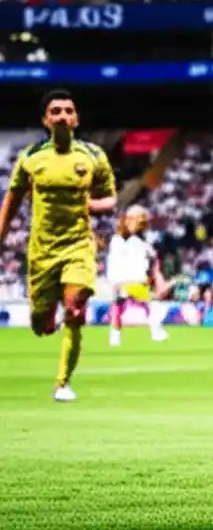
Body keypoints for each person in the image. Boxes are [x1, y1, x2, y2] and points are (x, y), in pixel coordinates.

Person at [0, 89, 117, 401]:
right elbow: (12, 200)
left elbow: (110, 198)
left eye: (68, 110)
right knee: (40, 324)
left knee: (76, 308)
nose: (63, 115)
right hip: (43, 250)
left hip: (79, 245)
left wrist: (92, 205)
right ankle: (45, 317)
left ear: (76, 118)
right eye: (56, 111)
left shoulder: (93, 156)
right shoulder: (31, 158)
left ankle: (62, 383)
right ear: (46, 120)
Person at [107, 205, 171, 346]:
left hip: (123, 280)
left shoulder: (134, 240)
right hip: (131, 279)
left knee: (119, 307)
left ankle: (115, 336)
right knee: (152, 305)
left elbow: (152, 257)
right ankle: (156, 332)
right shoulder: (125, 239)